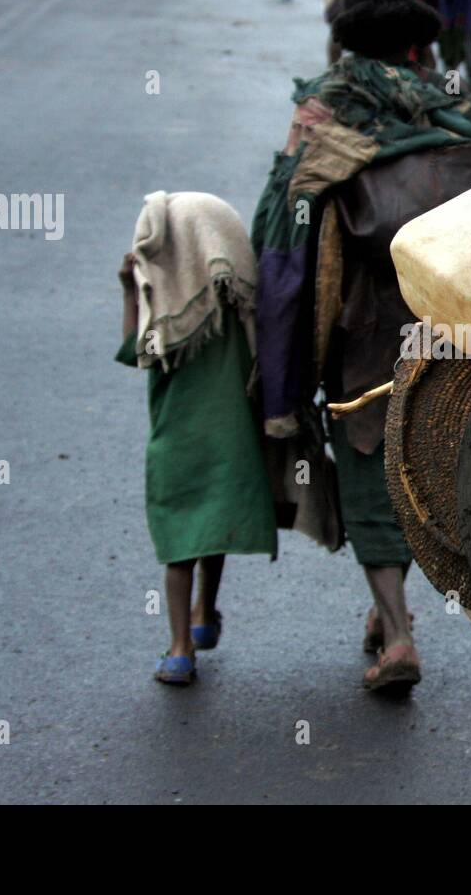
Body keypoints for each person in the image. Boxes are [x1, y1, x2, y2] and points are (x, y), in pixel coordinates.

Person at [250, 0, 471, 692]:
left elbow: (283, 232)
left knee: (369, 463)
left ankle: (397, 632)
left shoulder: (325, 110)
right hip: (449, 324)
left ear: (346, 33)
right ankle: (392, 613)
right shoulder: (455, 100)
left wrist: (281, 366)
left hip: (362, 326)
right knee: (423, 462)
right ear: (415, 34)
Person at [116, 192, 277, 686]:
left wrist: (129, 290)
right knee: (211, 530)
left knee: (179, 543)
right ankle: (205, 612)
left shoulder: (166, 312)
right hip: (230, 441)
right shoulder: (236, 308)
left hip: (177, 443)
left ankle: (181, 646)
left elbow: (133, 352)